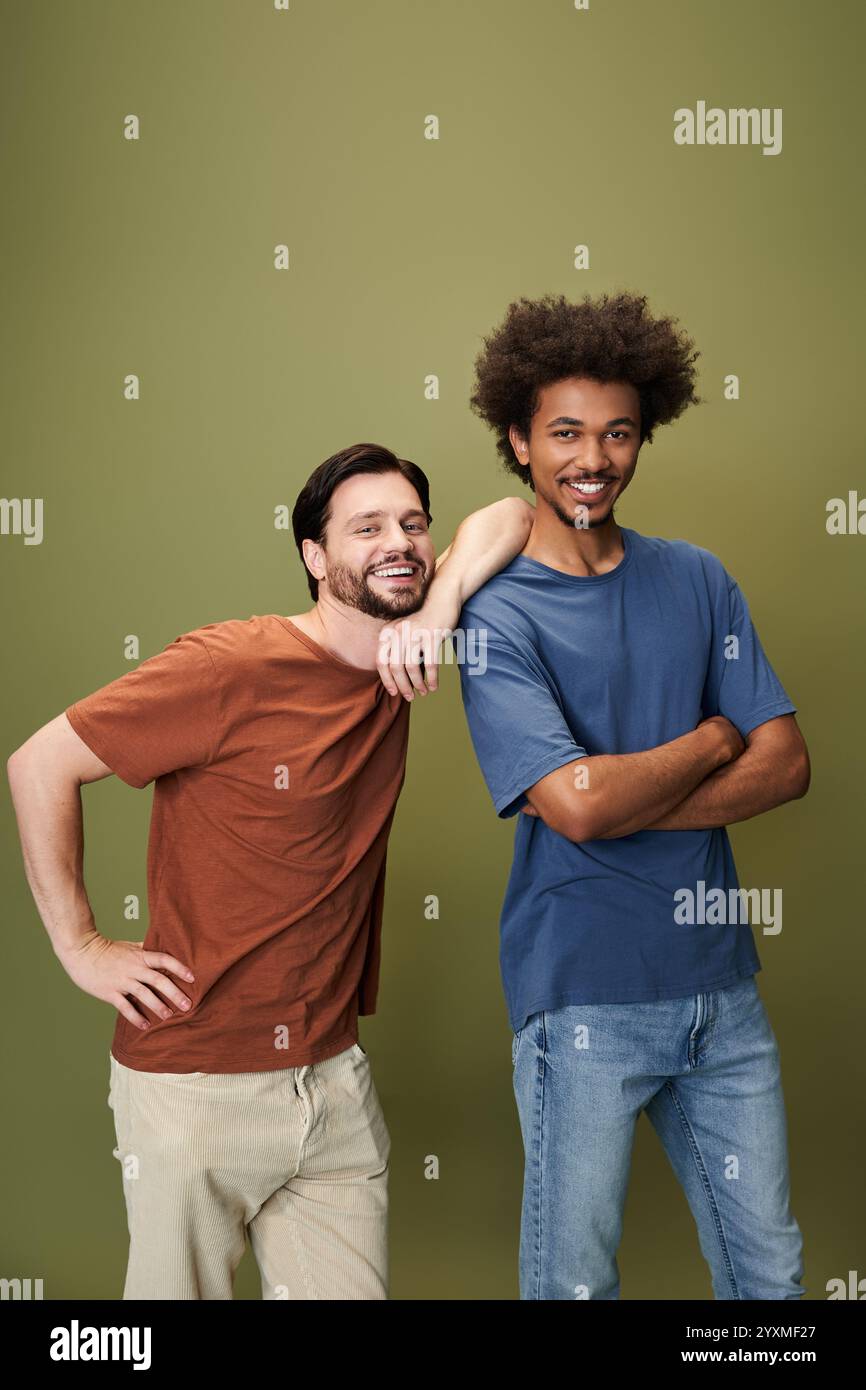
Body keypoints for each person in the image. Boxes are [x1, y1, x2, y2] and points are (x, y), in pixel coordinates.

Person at [6, 442, 532, 1301]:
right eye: (366, 528)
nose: (397, 541)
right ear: (315, 559)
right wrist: (80, 944)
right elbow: (38, 764)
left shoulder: (406, 653)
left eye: (412, 524)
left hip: (333, 1085)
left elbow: (517, 516)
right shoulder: (230, 666)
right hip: (193, 1085)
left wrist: (440, 610)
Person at [456, 290, 811, 1300]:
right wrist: (707, 737)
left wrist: (613, 795)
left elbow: (784, 763)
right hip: (581, 1001)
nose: (591, 458)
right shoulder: (494, 614)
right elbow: (570, 807)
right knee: (574, 1287)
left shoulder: (695, 579)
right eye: (563, 432)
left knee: (769, 1283)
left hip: (720, 996)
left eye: (616, 432)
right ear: (517, 443)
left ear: (641, 436)